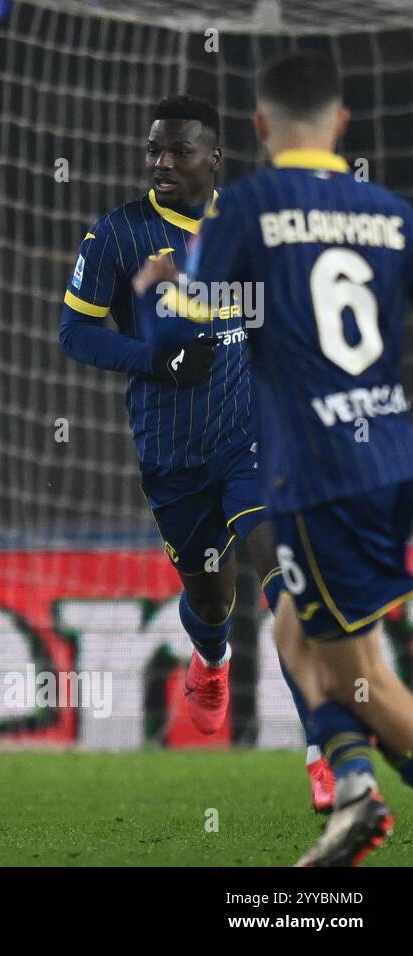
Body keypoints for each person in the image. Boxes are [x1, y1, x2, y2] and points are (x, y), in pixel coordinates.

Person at [136, 53, 413, 865]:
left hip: (322, 470)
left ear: (257, 130)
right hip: (390, 454)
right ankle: (356, 790)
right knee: (295, 633)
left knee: (364, 677)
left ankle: (362, 785)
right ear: (344, 126)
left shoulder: (248, 208)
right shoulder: (393, 215)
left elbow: (173, 333)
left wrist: (157, 285)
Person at [60, 95, 331, 810]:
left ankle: (321, 752)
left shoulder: (251, 224)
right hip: (172, 451)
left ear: (214, 158)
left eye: (178, 151)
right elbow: (75, 333)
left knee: (287, 586)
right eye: (155, 150)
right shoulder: (120, 234)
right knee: (210, 596)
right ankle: (211, 656)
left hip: (253, 446)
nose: (162, 162)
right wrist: (156, 360)